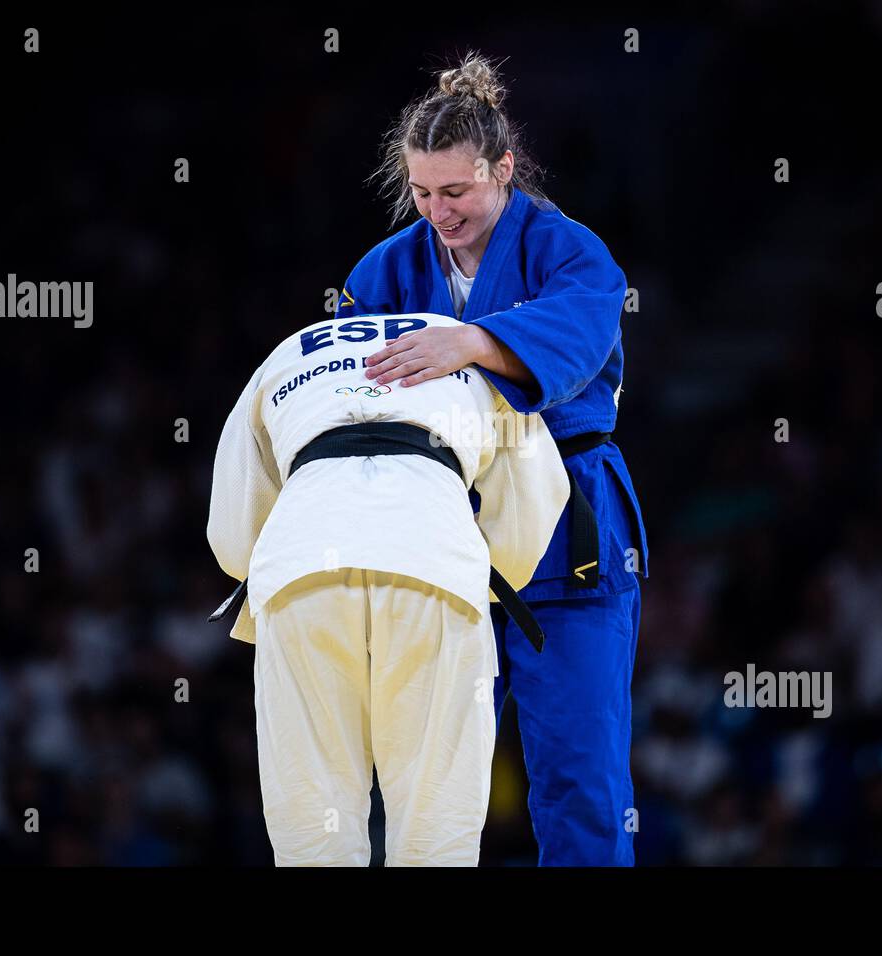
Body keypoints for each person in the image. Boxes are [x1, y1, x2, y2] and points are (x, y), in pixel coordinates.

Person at [336, 53, 650, 865]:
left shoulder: (571, 253)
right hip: (439, 533)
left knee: (579, 777)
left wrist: (473, 339)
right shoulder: (384, 271)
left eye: (459, 192)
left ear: (503, 168)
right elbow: (346, 394)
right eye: (423, 192)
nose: (439, 211)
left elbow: (579, 344)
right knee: (425, 785)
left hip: (567, 530)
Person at [206, 311, 569, 867]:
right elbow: (534, 500)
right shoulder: (469, 345)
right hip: (432, 557)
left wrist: (273, 564)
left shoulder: (291, 350)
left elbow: (232, 528)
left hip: (301, 562)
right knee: (435, 814)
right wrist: (489, 575)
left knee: (311, 811)